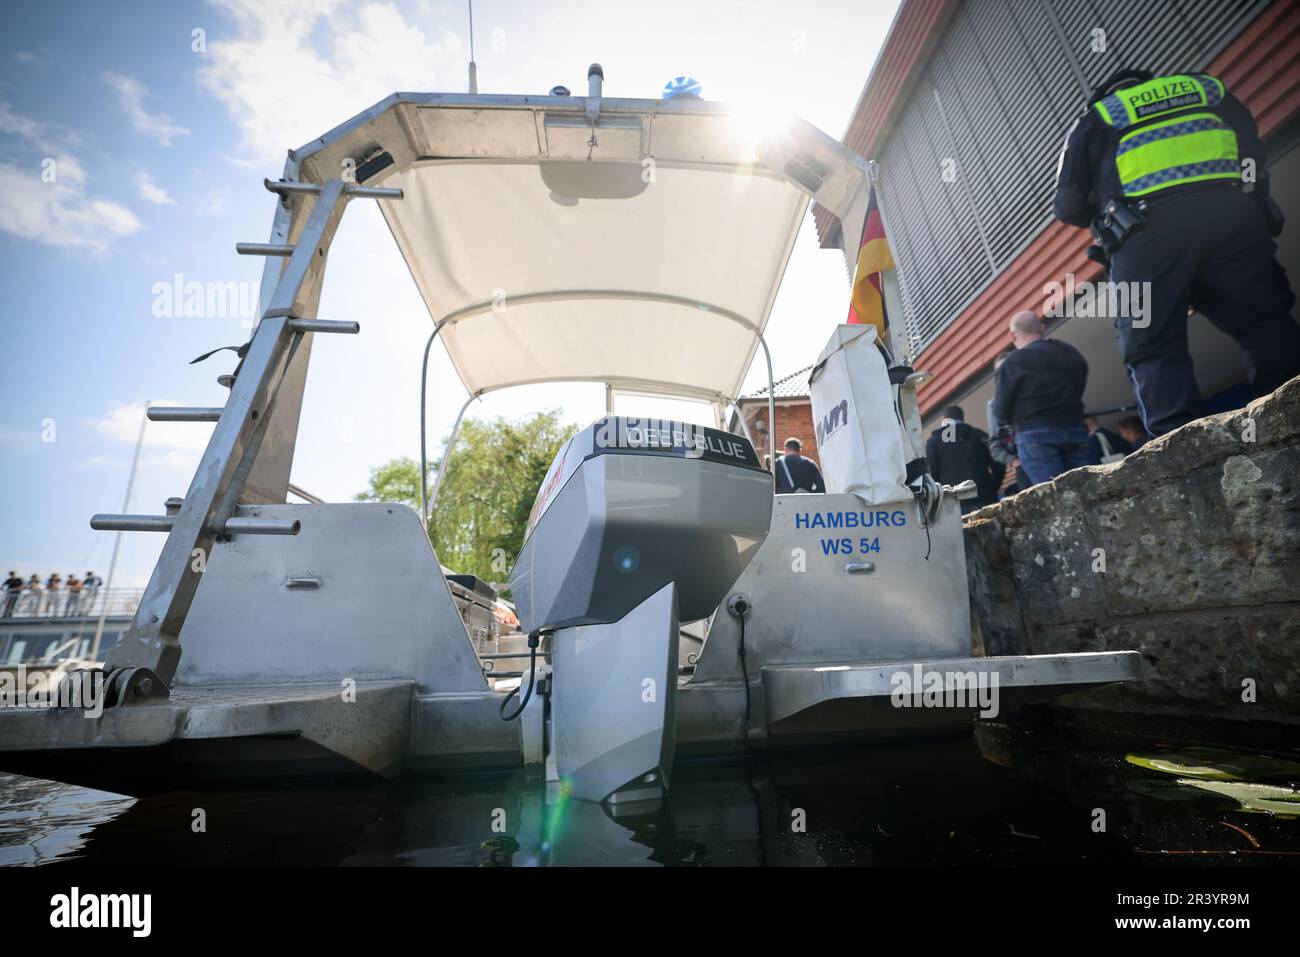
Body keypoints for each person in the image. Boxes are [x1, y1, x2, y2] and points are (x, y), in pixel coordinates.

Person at [1054, 68, 1300, 437]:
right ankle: (1288, 414)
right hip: (1231, 217)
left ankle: (1181, 446)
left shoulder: (1099, 115)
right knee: (1264, 322)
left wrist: (1108, 205)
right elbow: (1250, 153)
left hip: (1144, 237)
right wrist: (1251, 197)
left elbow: (1067, 204)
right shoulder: (1204, 89)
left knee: (1151, 345)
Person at [992, 311, 1099, 486]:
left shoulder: (1011, 363)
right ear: (1041, 328)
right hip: (1073, 425)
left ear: (1012, 335)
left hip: (1033, 433)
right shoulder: (1067, 351)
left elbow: (1001, 411)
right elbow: (1080, 377)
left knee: (1052, 493)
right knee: (1085, 488)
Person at [925, 405, 1004, 513]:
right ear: (962, 418)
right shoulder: (980, 435)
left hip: (954, 504)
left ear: (944, 419)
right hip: (984, 497)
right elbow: (999, 464)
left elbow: (932, 474)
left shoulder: (934, 442)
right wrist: (992, 488)